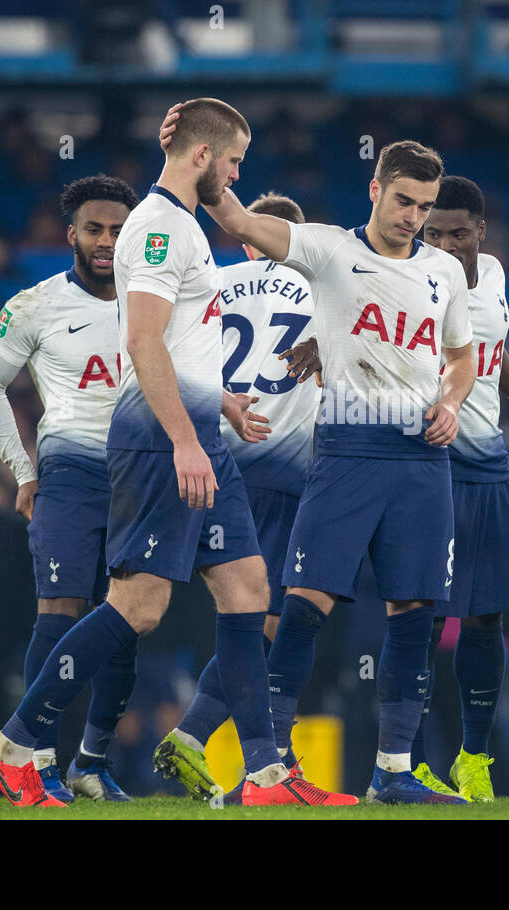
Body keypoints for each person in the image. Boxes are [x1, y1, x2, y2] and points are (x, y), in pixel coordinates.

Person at [0, 98, 354, 808]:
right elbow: (144, 341)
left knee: (248, 591)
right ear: (206, 158)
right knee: (140, 606)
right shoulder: (155, 227)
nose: (238, 175)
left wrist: (221, 405)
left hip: (198, 427)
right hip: (158, 439)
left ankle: (267, 774)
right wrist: (185, 438)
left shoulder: (180, 223)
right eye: (235, 161)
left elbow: (179, 342)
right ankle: (16, 743)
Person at [162, 105, 477, 804]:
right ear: (375, 188)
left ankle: (394, 772)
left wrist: (453, 402)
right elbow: (240, 224)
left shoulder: (446, 274)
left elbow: (462, 357)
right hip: (347, 449)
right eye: (403, 200)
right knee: (300, 606)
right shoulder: (329, 248)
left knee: (416, 613)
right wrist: (200, 162)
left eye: (425, 206)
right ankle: (266, 769)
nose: (413, 217)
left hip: (423, 459)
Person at [0, 174, 141, 802]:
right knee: (58, 615)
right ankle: (34, 761)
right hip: (69, 474)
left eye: (119, 231)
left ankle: (92, 763)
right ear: (71, 233)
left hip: (140, 473)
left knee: (126, 619)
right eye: (94, 228)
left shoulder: (158, 302)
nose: (106, 240)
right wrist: (24, 470)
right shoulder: (35, 304)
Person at [153, 192, 322, 801]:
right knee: (271, 621)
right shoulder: (327, 289)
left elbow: (162, 357)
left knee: (246, 614)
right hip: (284, 472)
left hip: (211, 464)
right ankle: (224, 746)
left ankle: (248, 753)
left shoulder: (215, 284)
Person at [405, 175, 509, 802]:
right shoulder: (404, 275)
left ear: (481, 233)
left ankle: (474, 758)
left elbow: (487, 345)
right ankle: (404, 762)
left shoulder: (489, 273)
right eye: (432, 232)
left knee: (486, 613)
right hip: (426, 459)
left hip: (488, 463)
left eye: (457, 233)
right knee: (421, 615)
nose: (443, 243)